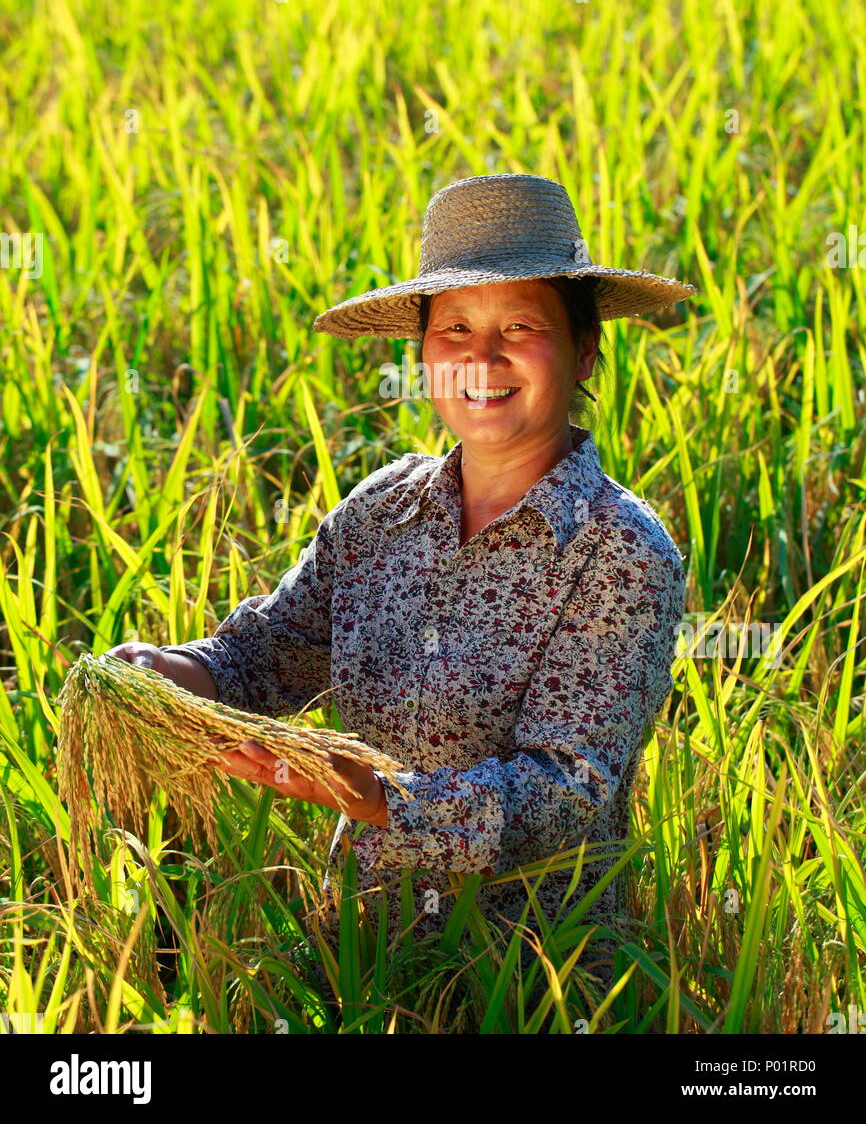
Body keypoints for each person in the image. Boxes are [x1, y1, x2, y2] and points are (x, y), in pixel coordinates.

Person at [111, 172, 698, 1015]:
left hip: (533, 982)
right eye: (454, 327)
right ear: (423, 350)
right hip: (357, 962)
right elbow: (268, 657)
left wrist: (374, 796)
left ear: (585, 348)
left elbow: (568, 791)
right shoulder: (383, 511)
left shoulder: (619, 551)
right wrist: (173, 673)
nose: (482, 358)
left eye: (520, 327)